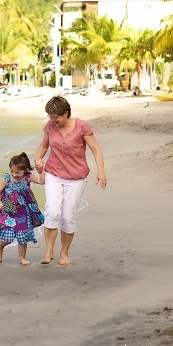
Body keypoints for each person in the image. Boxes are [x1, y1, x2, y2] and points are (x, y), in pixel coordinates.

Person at [34, 95, 106, 266]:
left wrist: (101, 171)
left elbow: (96, 149)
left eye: (55, 116)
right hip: (54, 174)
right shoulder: (50, 126)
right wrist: (38, 159)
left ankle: (64, 254)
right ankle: (48, 252)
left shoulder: (82, 126)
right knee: (52, 210)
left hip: (76, 178)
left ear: (65, 113)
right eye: (50, 117)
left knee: (67, 217)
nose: (52, 120)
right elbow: (44, 145)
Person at [0, 152, 45, 266]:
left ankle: (22, 258)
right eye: (12, 171)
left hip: (24, 212)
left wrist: (42, 172)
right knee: (8, 236)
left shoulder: (28, 177)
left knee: (23, 236)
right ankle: (0, 247)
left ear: (25, 170)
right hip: (7, 212)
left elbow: (42, 181)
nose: (14, 174)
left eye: (18, 172)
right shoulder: (7, 178)